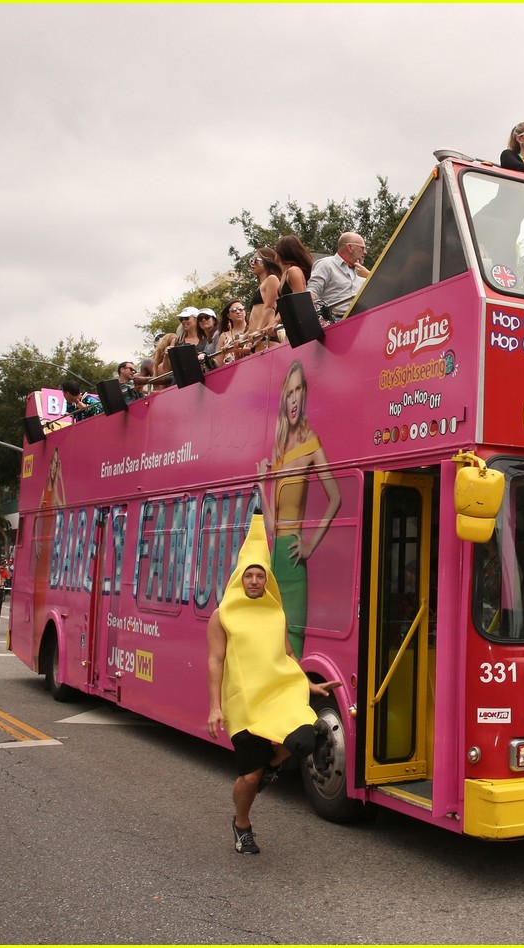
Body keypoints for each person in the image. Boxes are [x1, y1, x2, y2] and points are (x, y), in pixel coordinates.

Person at [206, 515, 338, 855]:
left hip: (277, 696)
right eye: (248, 575)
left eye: (259, 575)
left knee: (308, 736)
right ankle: (241, 824)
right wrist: (215, 706)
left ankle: (273, 765)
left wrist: (307, 683)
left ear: (267, 579)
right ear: (240, 577)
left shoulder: (276, 613)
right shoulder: (222, 615)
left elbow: (288, 654)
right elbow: (215, 661)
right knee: (249, 779)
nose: (253, 581)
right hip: (245, 704)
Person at [257, 361, 343, 658]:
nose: (294, 399)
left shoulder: (311, 442)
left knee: (292, 645)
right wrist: (260, 485)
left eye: (298, 390)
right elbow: (271, 526)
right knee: (269, 643)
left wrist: (309, 545)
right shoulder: (278, 448)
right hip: (274, 561)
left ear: (304, 394)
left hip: (294, 564)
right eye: (289, 392)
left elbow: (336, 496)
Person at [306, 233, 368, 321]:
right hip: (335, 320)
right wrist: (318, 319)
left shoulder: (362, 271)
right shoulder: (326, 264)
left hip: (360, 319)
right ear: (350, 248)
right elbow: (312, 292)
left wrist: (368, 275)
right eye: (362, 248)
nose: (365, 252)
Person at [247, 248, 283, 343]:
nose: (252, 263)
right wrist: (243, 338)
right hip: (256, 338)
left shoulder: (272, 279)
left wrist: (258, 330)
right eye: (251, 260)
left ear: (266, 261)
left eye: (255, 260)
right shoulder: (259, 286)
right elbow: (255, 318)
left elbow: (269, 308)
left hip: (265, 337)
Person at [216, 300, 252, 365]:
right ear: (228, 315)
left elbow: (255, 350)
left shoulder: (253, 329)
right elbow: (218, 362)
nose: (238, 312)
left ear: (245, 312)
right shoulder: (224, 335)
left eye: (241, 309)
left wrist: (232, 349)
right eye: (233, 310)